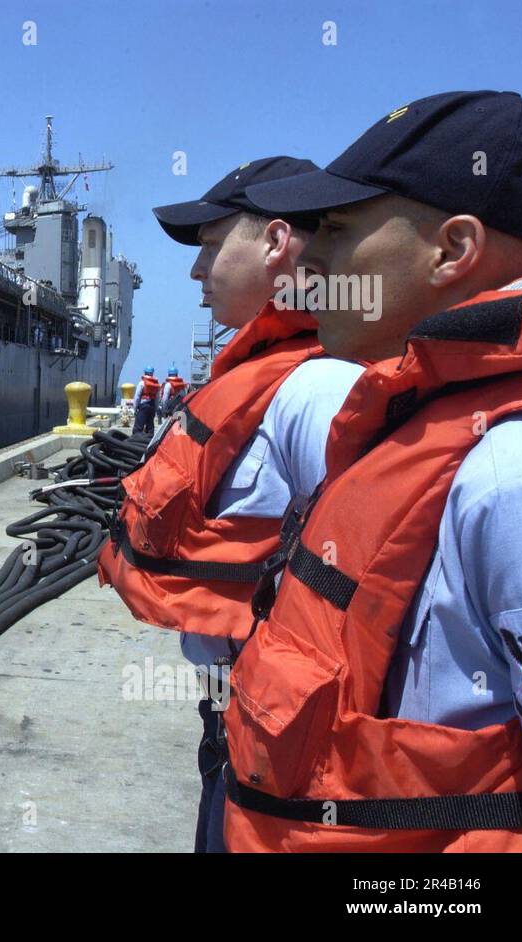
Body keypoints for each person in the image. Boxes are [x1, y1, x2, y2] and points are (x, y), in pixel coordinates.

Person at [222, 90, 522, 852]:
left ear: (454, 250)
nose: (308, 256)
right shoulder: (425, 419)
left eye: (336, 227)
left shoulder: (508, 475)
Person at [98, 155, 360, 854]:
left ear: (276, 242)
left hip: (287, 767)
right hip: (240, 733)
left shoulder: (316, 392)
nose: (195, 271)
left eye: (212, 247)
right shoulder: (276, 380)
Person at [131, 366, 160, 434]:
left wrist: (134, 409)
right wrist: (155, 408)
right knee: (150, 427)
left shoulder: (141, 383)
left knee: (138, 427)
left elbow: (137, 397)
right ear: (152, 373)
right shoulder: (156, 384)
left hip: (143, 407)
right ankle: (149, 441)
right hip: (152, 406)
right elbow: (157, 398)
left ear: (145, 372)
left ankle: (135, 441)